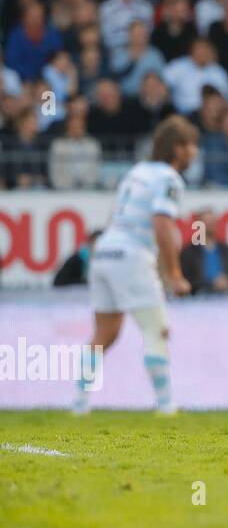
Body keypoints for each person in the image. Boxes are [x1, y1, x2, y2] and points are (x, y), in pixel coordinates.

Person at [74, 115, 199, 415]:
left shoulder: (137, 171)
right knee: (157, 329)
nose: (195, 152)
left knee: (104, 334)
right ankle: (167, 404)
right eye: (192, 145)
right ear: (178, 149)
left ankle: (80, 403)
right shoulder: (170, 179)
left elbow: (113, 216)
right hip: (131, 253)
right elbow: (161, 224)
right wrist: (174, 274)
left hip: (104, 252)